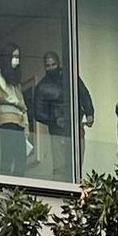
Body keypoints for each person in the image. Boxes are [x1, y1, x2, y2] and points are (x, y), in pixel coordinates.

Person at [28, 51, 92, 179]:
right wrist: (54, 120)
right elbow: (38, 113)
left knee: (77, 164)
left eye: (53, 64)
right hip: (57, 131)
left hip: (75, 126)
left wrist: (90, 113)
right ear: (44, 67)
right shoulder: (42, 87)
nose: (51, 68)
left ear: (58, 63)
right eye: (48, 66)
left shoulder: (70, 77)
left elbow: (84, 94)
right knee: (60, 167)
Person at [0, 42, 29, 176]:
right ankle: (6, 185)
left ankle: (18, 186)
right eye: (14, 56)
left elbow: (23, 105)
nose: (17, 60)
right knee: (8, 154)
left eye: (18, 56)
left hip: (19, 121)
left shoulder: (15, 81)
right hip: (7, 119)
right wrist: (18, 103)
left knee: (21, 156)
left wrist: (26, 123)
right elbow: (3, 94)